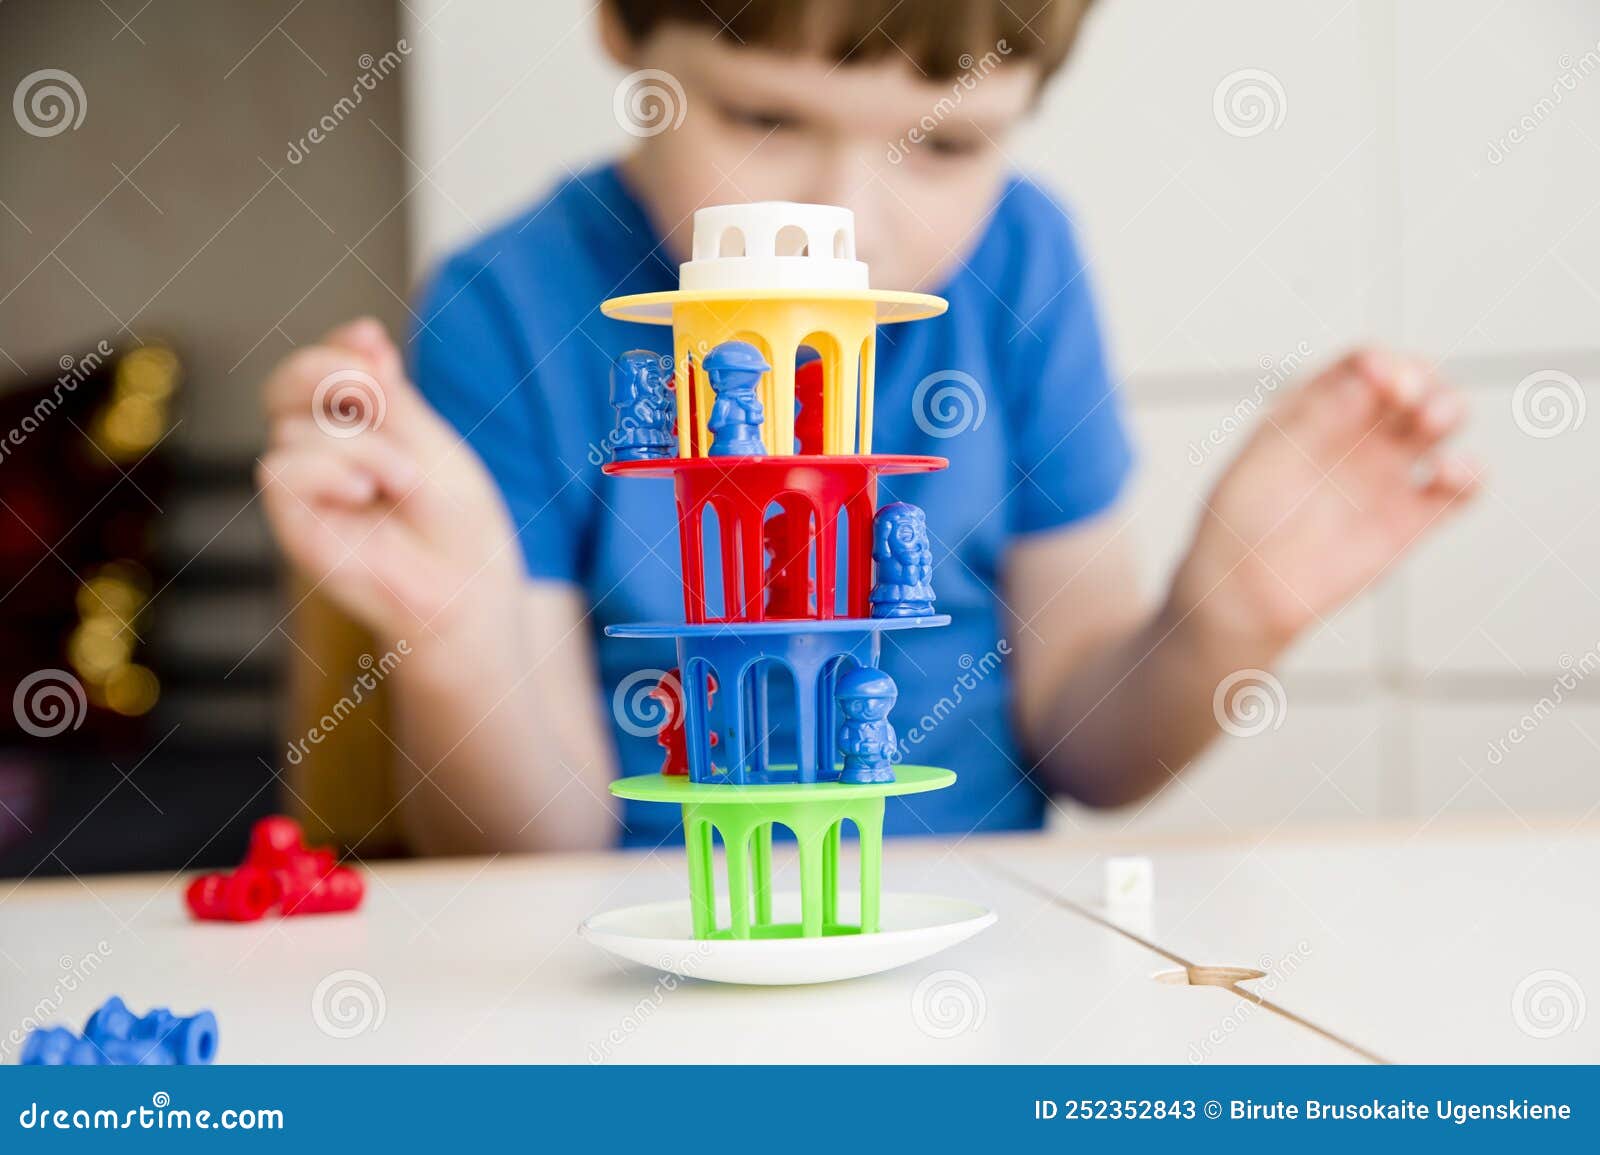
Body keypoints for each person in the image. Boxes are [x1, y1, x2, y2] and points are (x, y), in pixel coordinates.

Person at [258, 0, 1479, 854]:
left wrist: (1224, 622)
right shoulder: (507, 304)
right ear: (624, 32)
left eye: (944, 144)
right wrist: (457, 637)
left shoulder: (1024, 261)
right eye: (764, 121)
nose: (841, 220)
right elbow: (533, 845)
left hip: (984, 945)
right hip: (653, 964)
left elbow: (1093, 750)